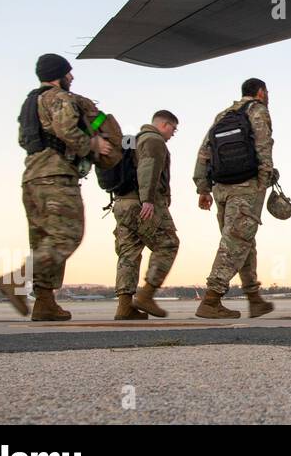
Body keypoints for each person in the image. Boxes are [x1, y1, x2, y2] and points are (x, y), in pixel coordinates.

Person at [5, 54, 114, 321]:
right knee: (67, 236)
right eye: (69, 73)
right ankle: (16, 279)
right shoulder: (59, 98)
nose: (72, 77)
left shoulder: (30, 103)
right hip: (56, 177)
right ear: (59, 74)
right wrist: (94, 146)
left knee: (44, 241)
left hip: (32, 178)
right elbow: (66, 129)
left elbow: (24, 140)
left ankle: (44, 302)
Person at [194, 78, 277, 319]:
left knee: (243, 241)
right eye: (267, 92)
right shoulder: (258, 111)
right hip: (245, 188)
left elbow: (204, 151)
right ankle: (211, 299)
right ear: (260, 92)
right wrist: (263, 183)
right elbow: (264, 147)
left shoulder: (223, 115)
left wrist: (202, 188)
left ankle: (254, 298)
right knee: (235, 243)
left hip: (221, 187)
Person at [112, 110, 180, 319]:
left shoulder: (130, 141)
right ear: (165, 125)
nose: (172, 134)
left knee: (128, 253)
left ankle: (124, 307)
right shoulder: (154, 141)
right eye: (173, 129)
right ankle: (146, 295)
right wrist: (148, 200)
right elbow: (148, 168)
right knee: (168, 243)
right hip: (142, 202)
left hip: (121, 203)